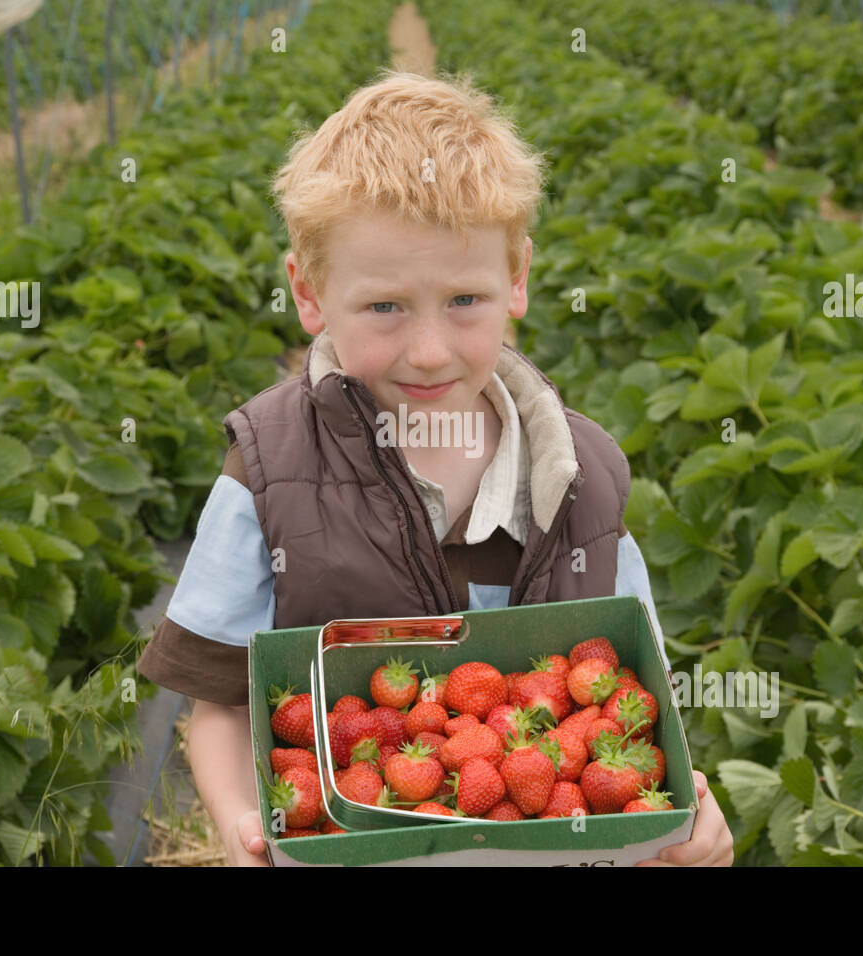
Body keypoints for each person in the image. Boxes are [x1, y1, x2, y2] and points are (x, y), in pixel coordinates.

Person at [138, 69, 733, 867]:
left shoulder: (585, 475)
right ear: (309, 295)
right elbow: (216, 703)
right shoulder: (266, 472)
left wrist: (688, 831)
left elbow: (636, 709)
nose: (428, 350)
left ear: (516, 277)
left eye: (464, 301)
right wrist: (245, 823)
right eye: (385, 307)